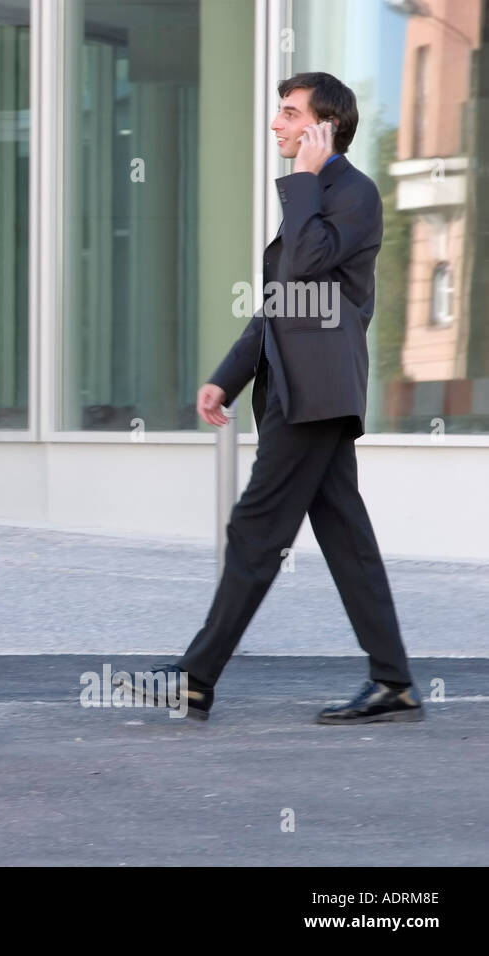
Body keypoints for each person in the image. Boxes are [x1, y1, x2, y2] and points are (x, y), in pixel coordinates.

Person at [122, 72, 420, 724]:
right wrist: (227, 376)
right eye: (280, 113)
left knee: (256, 528)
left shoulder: (352, 195)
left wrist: (305, 181)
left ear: (324, 126)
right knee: (346, 538)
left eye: (290, 114)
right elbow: (280, 306)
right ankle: (394, 684)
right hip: (303, 391)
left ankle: (195, 679)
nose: (277, 125)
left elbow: (307, 266)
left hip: (314, 397)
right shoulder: (319, 195)